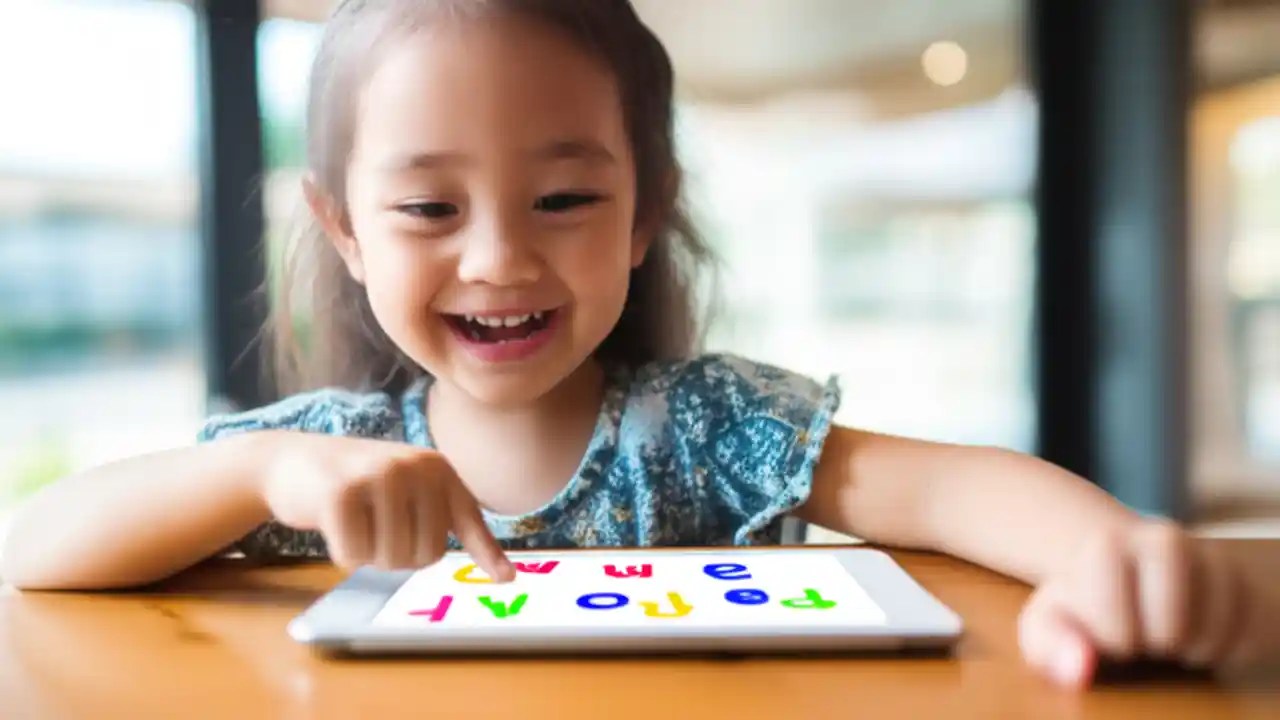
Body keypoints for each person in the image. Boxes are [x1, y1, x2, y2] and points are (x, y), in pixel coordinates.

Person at [2, 0, 1274, 689]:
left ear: (644, 212)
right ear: (340, 229)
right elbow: (31, 552)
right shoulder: (331, 461)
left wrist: (1116, 557)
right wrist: (260, 472)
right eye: (428, 208)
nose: (498, 258)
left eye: (562, 198)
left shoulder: (707, 426)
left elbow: (949, 489)